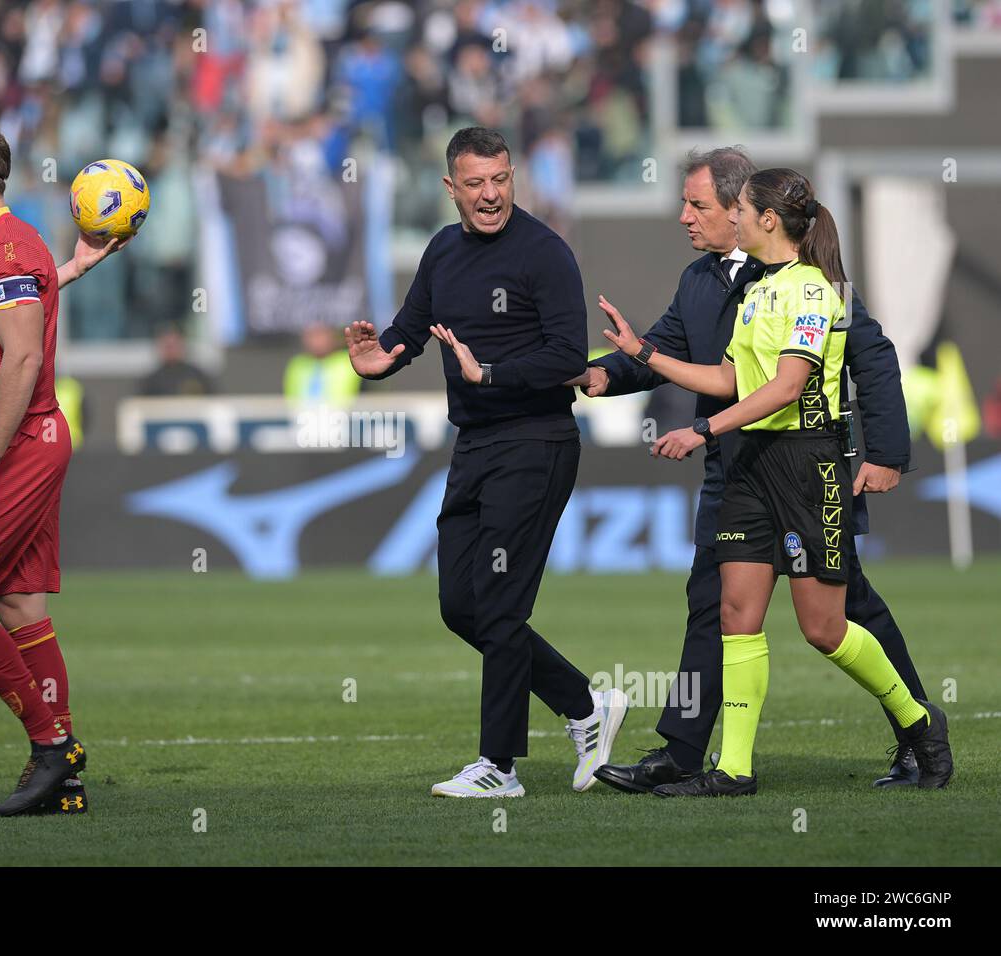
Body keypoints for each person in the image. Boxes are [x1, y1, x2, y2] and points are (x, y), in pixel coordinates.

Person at [579, 148, 934, 792]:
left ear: (747, 211)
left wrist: (884, 453)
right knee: (711, 602)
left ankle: (916, 732)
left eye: (699, 205)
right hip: (736, 466)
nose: (685, 217)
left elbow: (872, 358)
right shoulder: (702, 280)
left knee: (844, 611)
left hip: (804, 462)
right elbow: (674, 352)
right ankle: (687, 752)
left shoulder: (817, 282)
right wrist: (606, 372)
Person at [345, 126, 627, 798]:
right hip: (472, 447)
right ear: (452, 189)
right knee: (461, 607)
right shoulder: (442, 252)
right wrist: (375, 362)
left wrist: (490, 371)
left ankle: (498, 768)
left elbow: (568, 357)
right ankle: (587, 707)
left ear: (513, 178)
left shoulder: (545, 253)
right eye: (476, 183)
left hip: (535, 443)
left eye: (500, 179)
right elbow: (405, 335)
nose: (492, 194)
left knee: (498, 606)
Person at [0, 121, 128, 817]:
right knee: (19, 605)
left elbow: (25, 361)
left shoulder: (5, 246)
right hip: (8, 441)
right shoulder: (3, 251)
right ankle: (61, 782)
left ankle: (51, 746)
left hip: (19, 449)